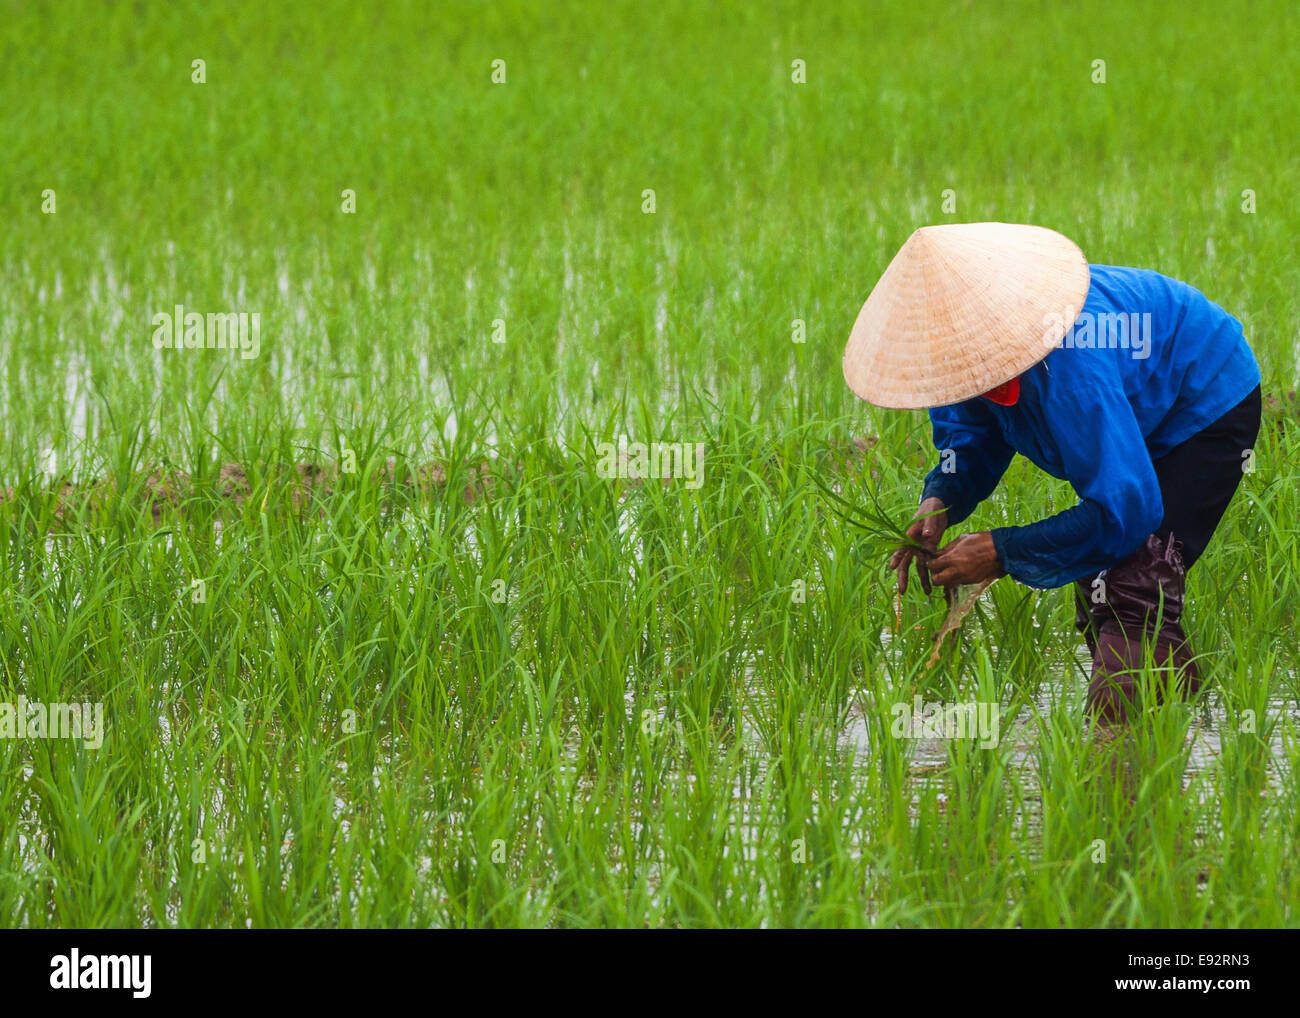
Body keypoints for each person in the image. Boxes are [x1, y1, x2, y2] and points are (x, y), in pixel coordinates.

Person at [842, 223, 1261, 723]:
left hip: (1205, 400)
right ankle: (1163, 723)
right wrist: (940, 500)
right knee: (1098, 581)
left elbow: (1122, 511)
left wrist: (1001, 551)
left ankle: (1126, 752)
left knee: (1134, 585)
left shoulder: (1068, 368)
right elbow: (969, 439)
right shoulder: (964, 360)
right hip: (1134, 401)